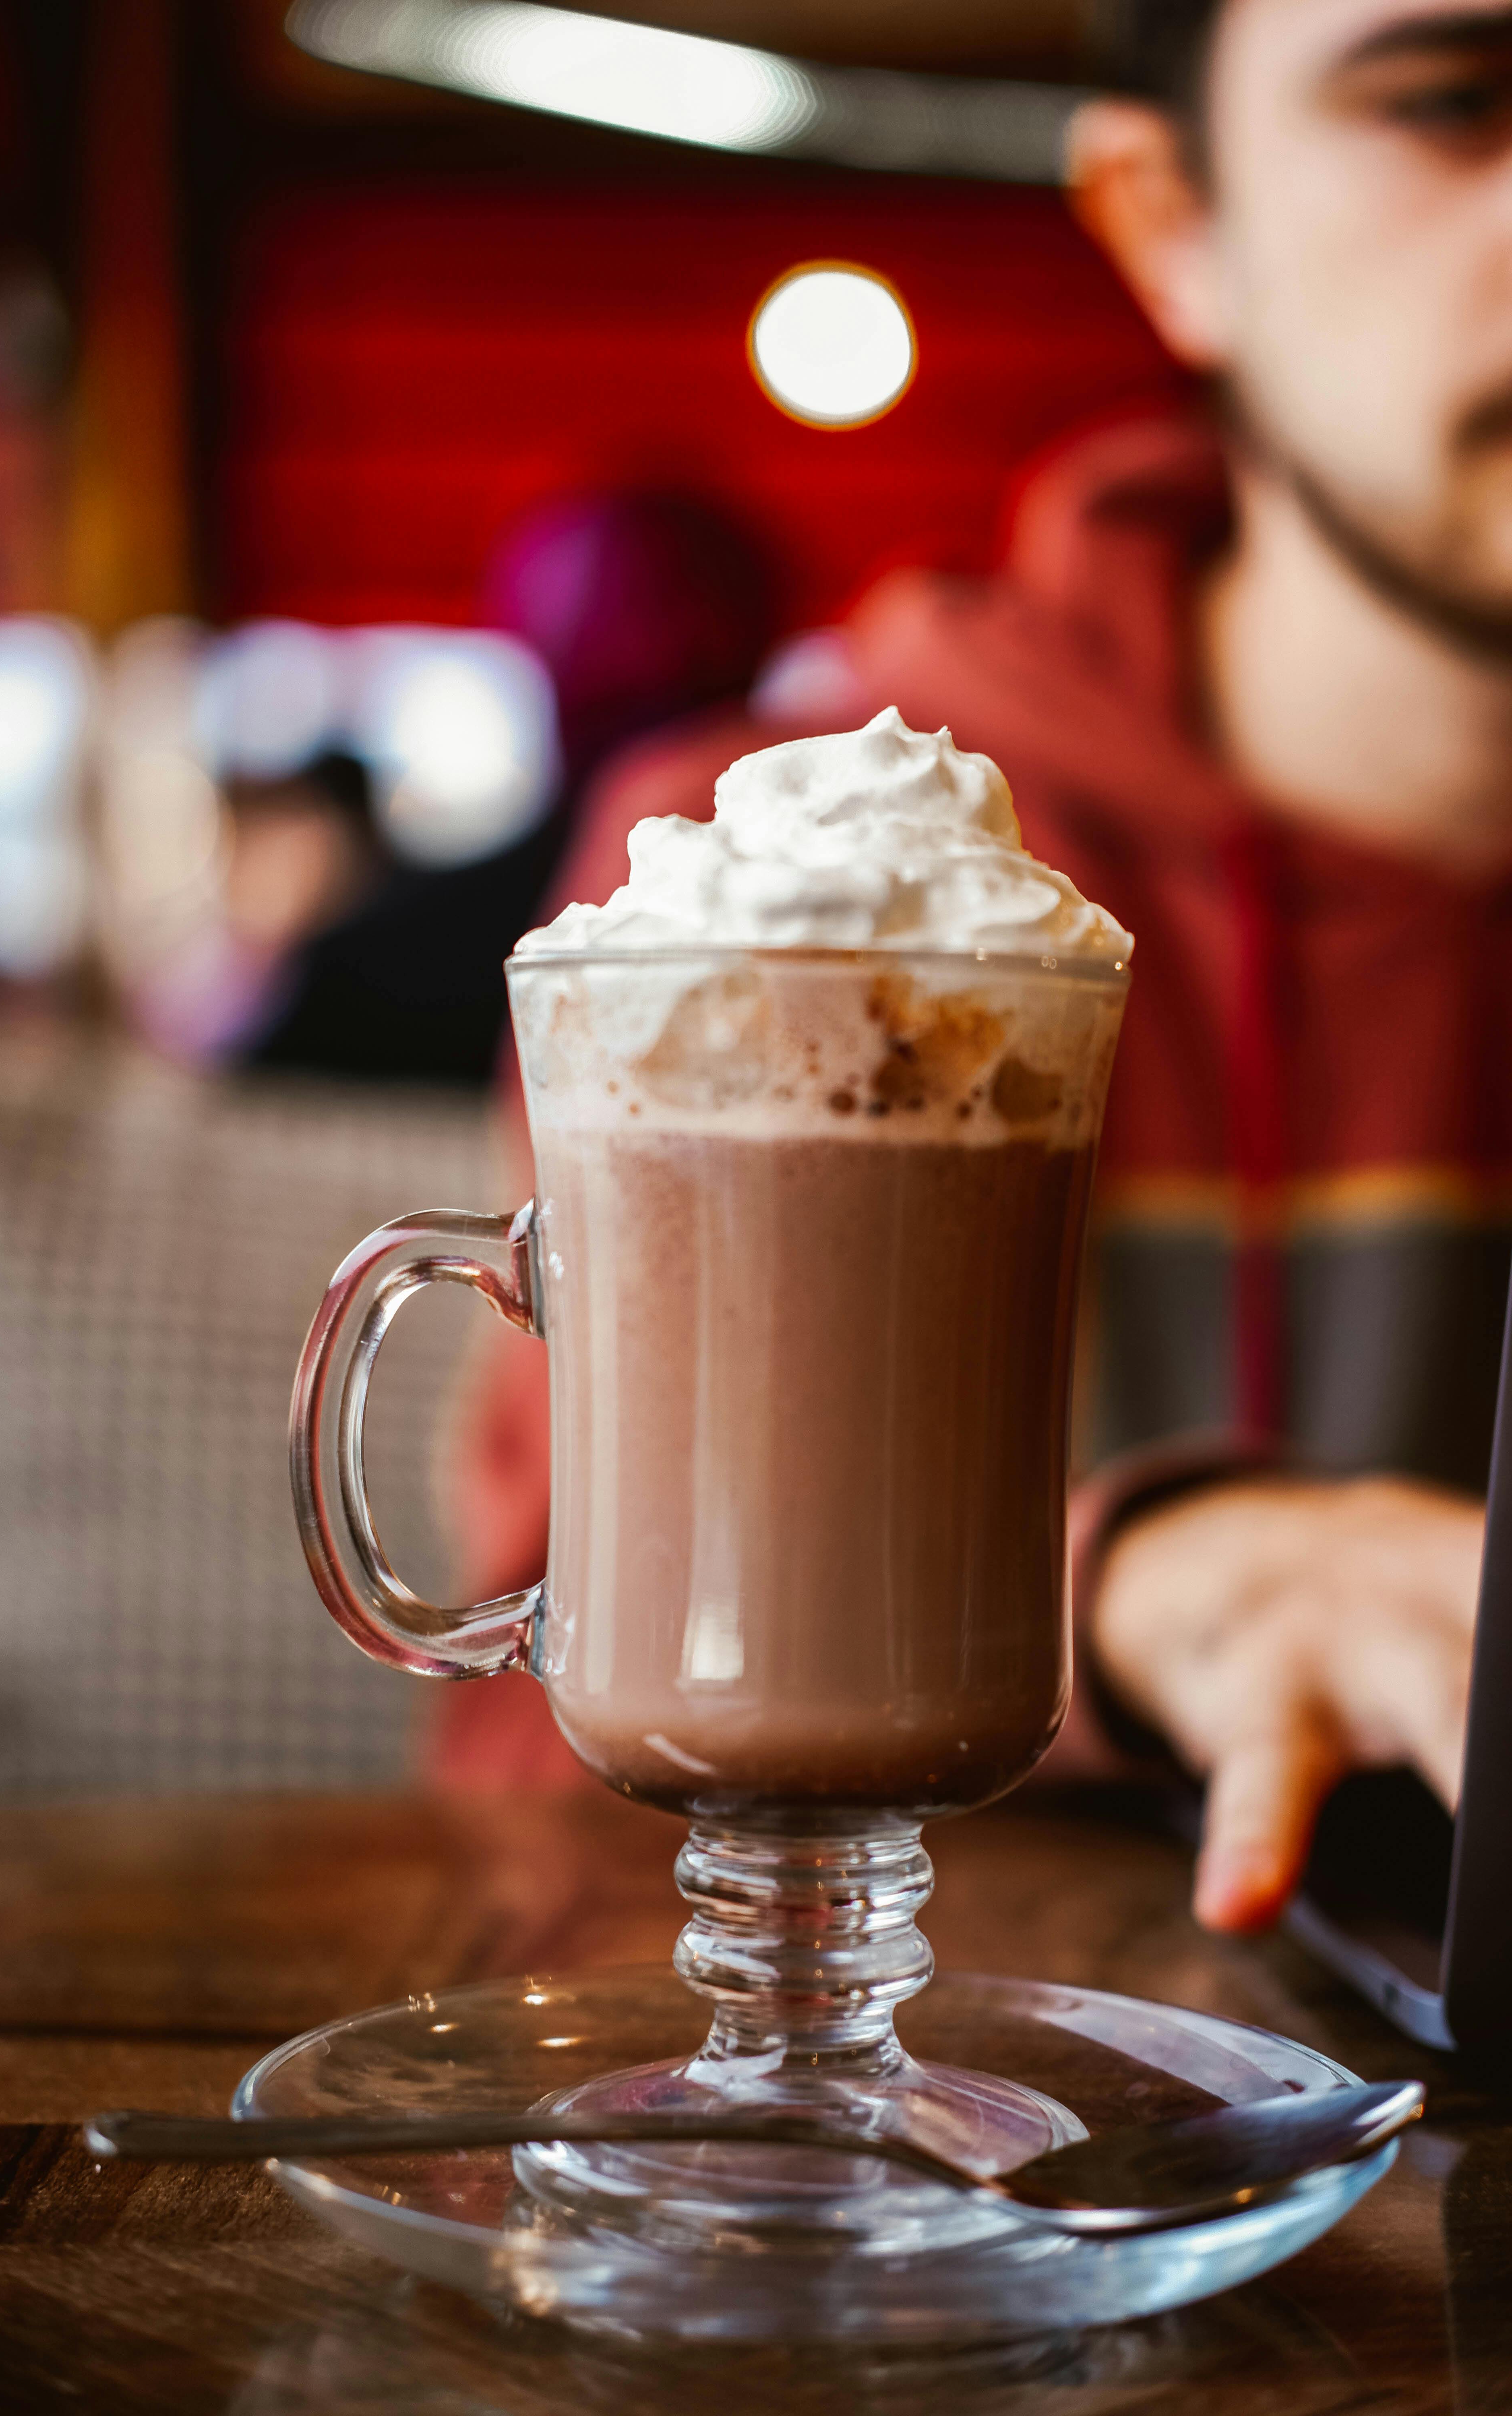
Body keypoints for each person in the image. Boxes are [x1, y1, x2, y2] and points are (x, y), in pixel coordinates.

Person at [446, 0, 1511, 1943]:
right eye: (1451, 97)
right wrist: (1142, 1586)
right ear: (1172, 217)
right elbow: (535, 1746)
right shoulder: (777, 900)